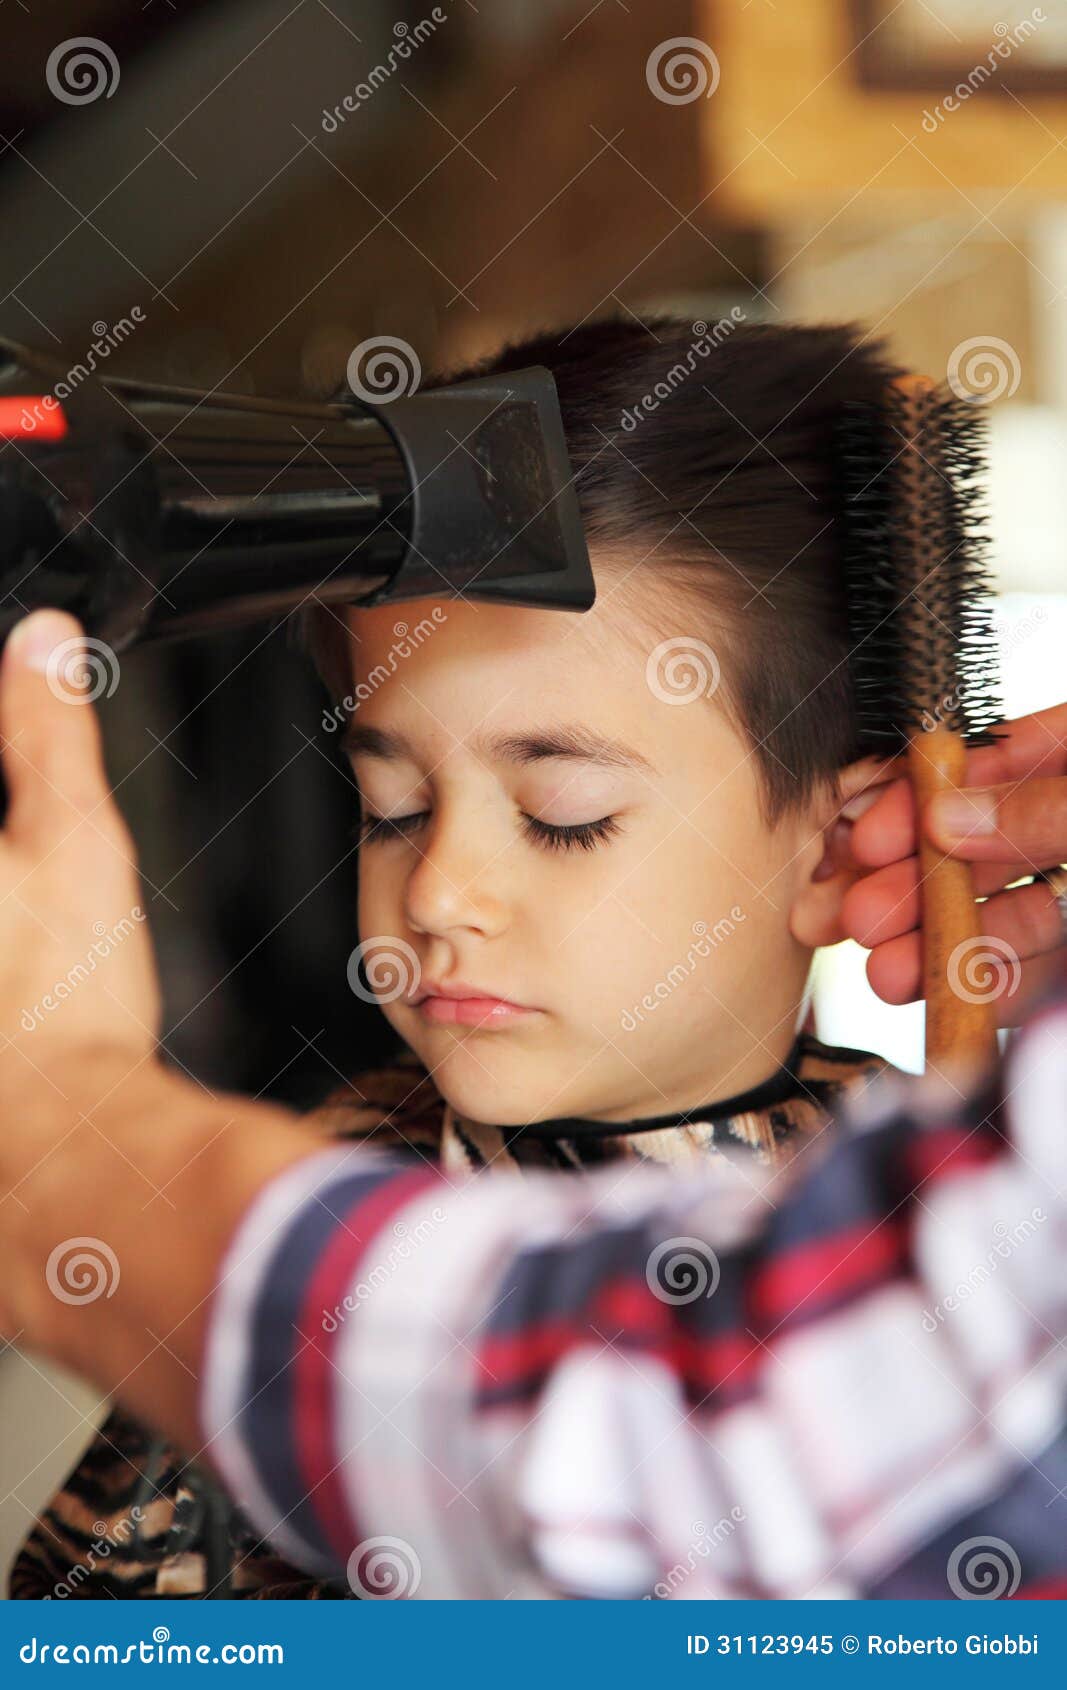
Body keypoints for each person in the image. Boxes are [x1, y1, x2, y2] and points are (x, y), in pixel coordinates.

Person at [1, 318, 1064, 1599]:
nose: (439, 890)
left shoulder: (932, 1266)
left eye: (564, 816)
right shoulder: (316, 1183)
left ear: (838, 839)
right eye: (391, 805)